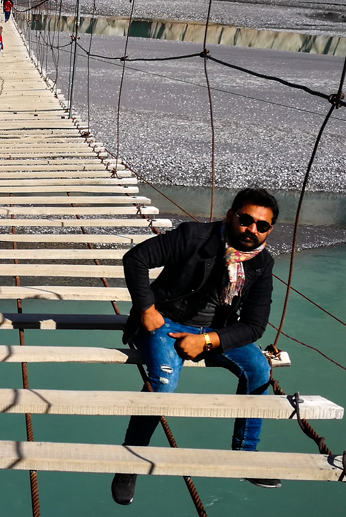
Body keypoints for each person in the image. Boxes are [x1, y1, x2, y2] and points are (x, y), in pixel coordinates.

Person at [111, 188, 281, 506]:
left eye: (262, 226)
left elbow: (256, 325)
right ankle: (129, 462)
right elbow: (136, 259)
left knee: (260, 369)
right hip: (166, 321)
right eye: (246, 220)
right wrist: (147, 310)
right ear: (231, 216)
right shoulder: (194, 236)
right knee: (162, 383)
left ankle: (245, 456)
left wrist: (207, 340)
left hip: (216, 332)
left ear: (269, 230)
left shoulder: (261, 263)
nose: (252, 230)